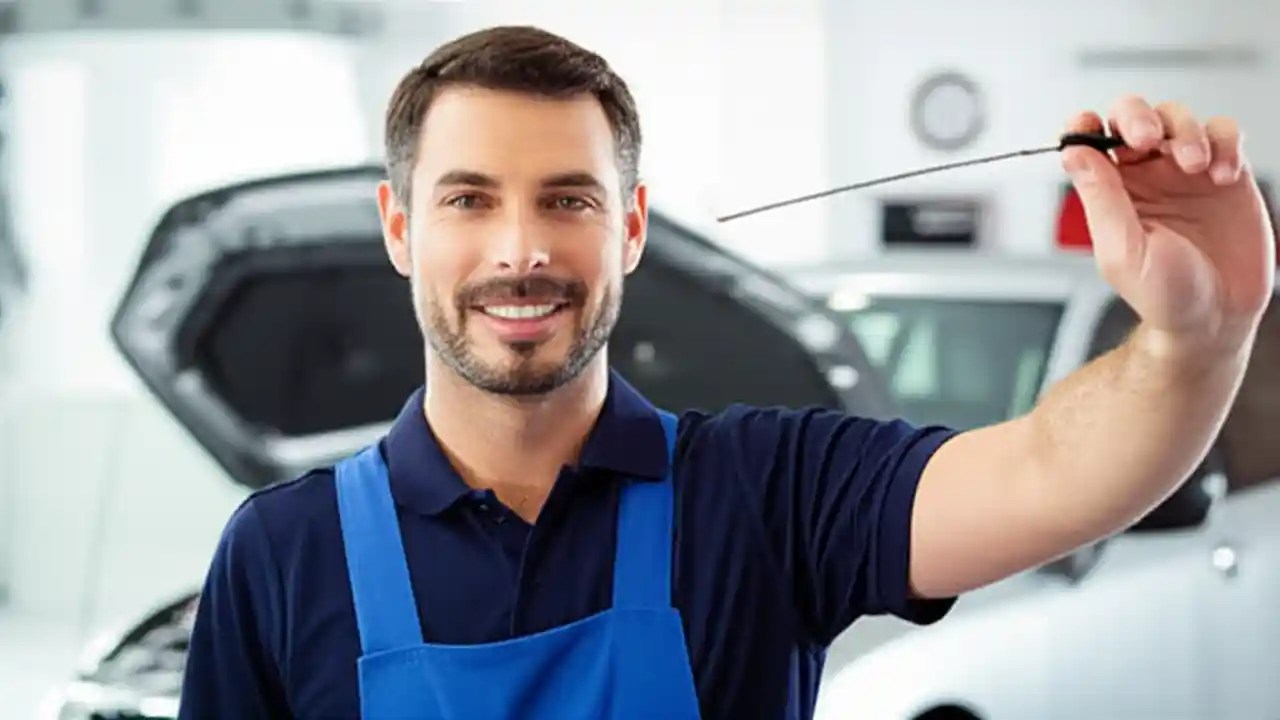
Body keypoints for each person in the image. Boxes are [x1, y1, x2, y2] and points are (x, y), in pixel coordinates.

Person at [177, 24, 1275, 720]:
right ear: (399, 227)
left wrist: (1200, 334)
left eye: (569, 198)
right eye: (469, 199)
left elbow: (1049, 471)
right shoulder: (281, 555)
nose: (521, 249)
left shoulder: (766, 492)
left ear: (632, 227)